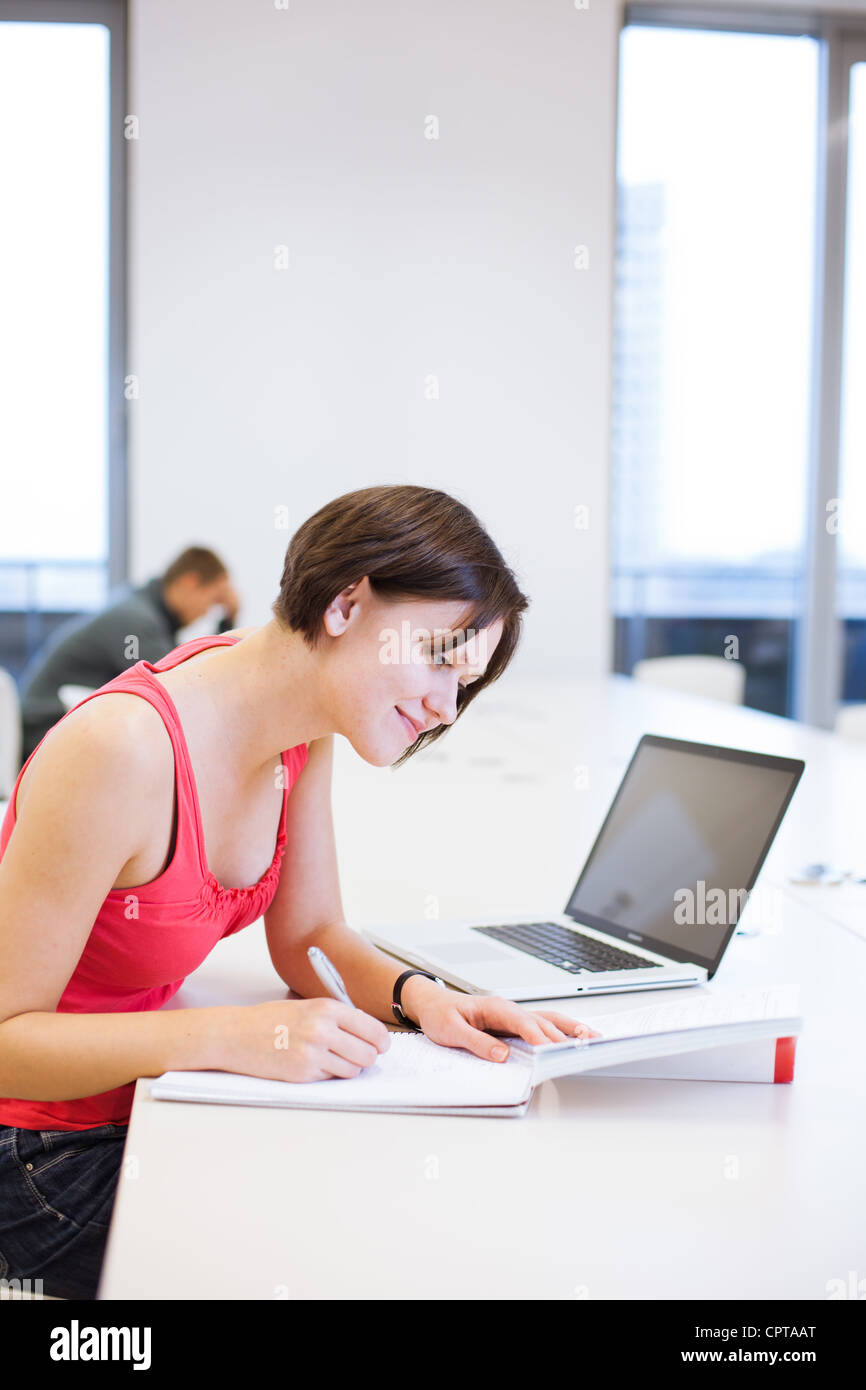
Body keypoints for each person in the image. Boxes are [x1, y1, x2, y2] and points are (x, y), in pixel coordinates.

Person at [0, 484, 594, 1300]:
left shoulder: (304, 730)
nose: (443, 708)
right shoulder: (119, 753)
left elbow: (309, 933)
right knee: (335, 1257)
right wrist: (229, 1037)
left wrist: (424, 999)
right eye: (437, 659)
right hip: (41, 1158)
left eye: (465, 685)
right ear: (348, 604)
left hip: (152, 1108)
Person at [17, 547, 239, 765]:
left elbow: (189, 678)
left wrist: (227, 623)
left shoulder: (141, 611)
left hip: (55, 727)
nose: (206, 612)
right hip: (43, 729)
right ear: (190, 582)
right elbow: (182, 689)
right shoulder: (135, 622)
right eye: (212, 601)